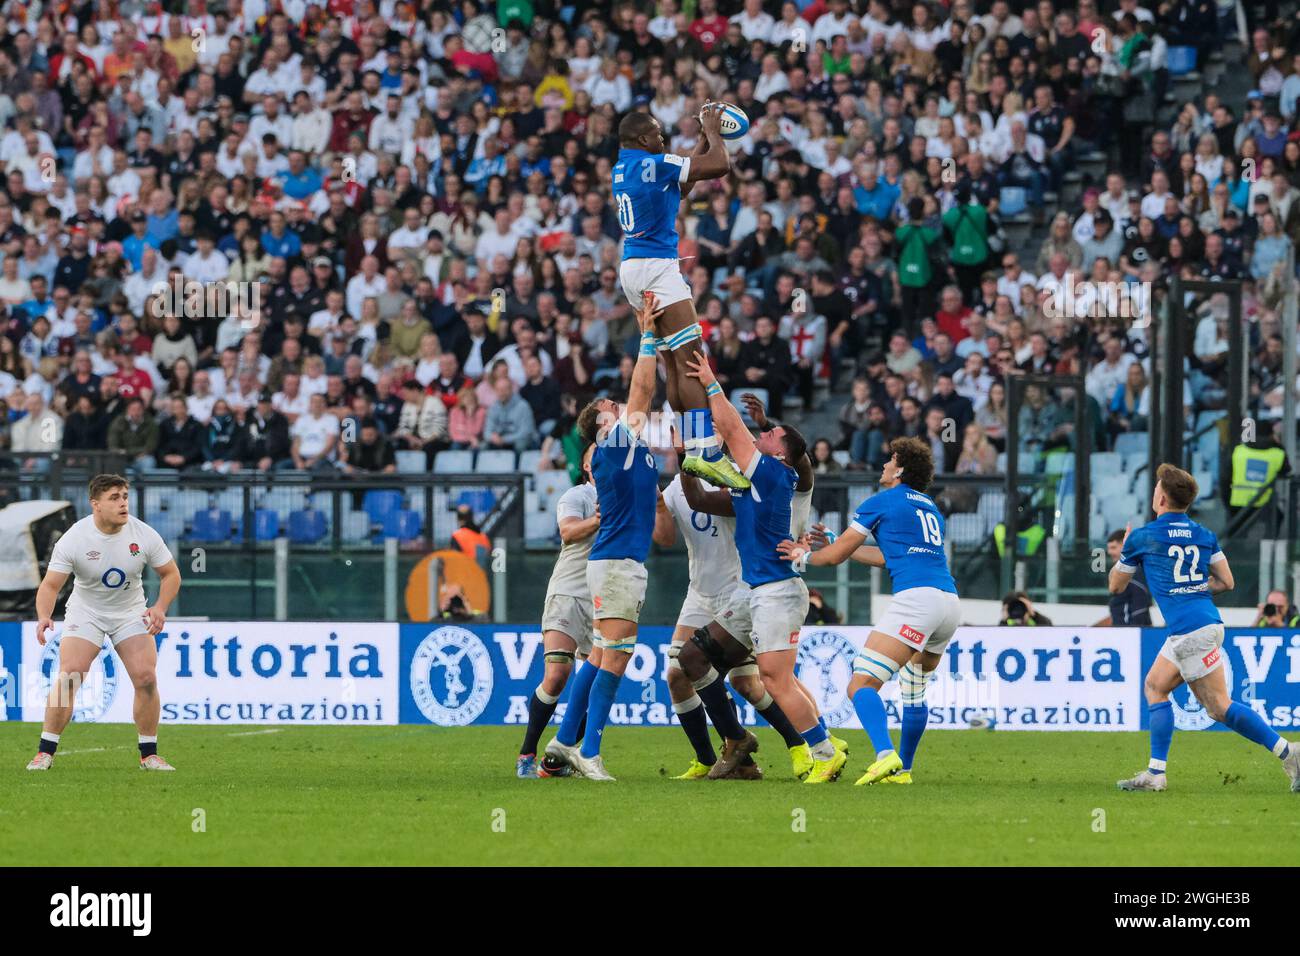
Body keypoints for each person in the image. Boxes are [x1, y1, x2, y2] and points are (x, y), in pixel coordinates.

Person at [672, 348, 840, 784]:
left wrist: (710, 380)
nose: (761, 435)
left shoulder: (770, 474)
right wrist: (685, 460)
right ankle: (738, 740)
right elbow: (698, 496)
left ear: (779, 454)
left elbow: (729, 428)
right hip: (754, 593)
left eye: (770, 435)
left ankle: (823, 752)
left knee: (774, 679)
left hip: (778, 592)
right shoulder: (752, 486)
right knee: (691, 656)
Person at [778, 437, 961, 786]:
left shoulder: (882, 501)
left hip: (916, 601)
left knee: (860, 684)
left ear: (901, 469)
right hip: (948, 602)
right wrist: (838, 543)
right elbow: (888, 557)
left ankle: (884, 755)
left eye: (889, 460)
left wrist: (803, 558)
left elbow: (831, 559)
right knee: (914, 686)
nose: (883, 466)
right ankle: (902, 771)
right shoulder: (929, 506)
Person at [1111, 464, 1300, 793]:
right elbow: (1227, 581)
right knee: (1156, 685)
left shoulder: (1142, 537)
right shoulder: (1203, 535)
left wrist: (1125, 550)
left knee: (1218, 707)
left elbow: (1116, 585)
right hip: (1205, 622)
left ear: (1162, 498)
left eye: (1157, 488)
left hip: (1188, 630)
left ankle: (1289, 753)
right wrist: (1192, 589)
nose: (1155, 492)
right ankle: (1156, 772)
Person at [542, 291, 663, 781]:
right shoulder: (613, 444)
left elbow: (645, 398)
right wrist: (650, 336)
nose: (621, 407)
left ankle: (566, 739)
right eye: (611, 407)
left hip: (619, 560)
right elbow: (643, 392)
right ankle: (589, 749)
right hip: (616, 562)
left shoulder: (625, 448)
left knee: (599, 653)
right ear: (601, 426)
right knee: (614, 656)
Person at [611, 104, 749, 491]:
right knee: (691, 361)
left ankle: (693, 444)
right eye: (656, 133)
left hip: (633, 268)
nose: (662, 138)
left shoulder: (626, 167)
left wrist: (703, 139)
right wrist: (712, 130)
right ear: (642, 138)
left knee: (673, 363)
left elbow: (683, 184)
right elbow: (719, 165)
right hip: (658, 267)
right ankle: (705, 448)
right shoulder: (655, 162)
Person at [26, 474, 182, 772]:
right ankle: (44, 752)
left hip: (130, 612)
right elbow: (50, 586)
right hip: (87, 612)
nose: (123, 503)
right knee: (70, 674)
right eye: (115, 498)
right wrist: (44, 615)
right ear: (95, 504)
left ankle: (149, 755)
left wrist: (160, 607)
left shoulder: (143, 534)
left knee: (146, 678)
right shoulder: (74, 537)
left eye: (125, 496)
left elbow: (171, 574)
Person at [518, 445, 599, 779]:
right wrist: (599, 518)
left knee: (598, 687)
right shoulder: (578, 495)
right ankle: (527, 753)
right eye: (597, 452)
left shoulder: (625, 495)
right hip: (568, 592)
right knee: (556, 676)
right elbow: (567, 531)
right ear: (585, 464)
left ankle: (556, 761)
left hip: (605, 599)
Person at [1095, 528, 1151, 626]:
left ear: (1124, 545)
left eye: (1113, 547)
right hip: (1123, 632)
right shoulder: (1127, 571)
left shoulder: (1134, 573)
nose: (1109, 552)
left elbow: (1140, 611)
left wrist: (1136, 634)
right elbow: (1119, 610)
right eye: (1108, 548)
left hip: (1130, 634)